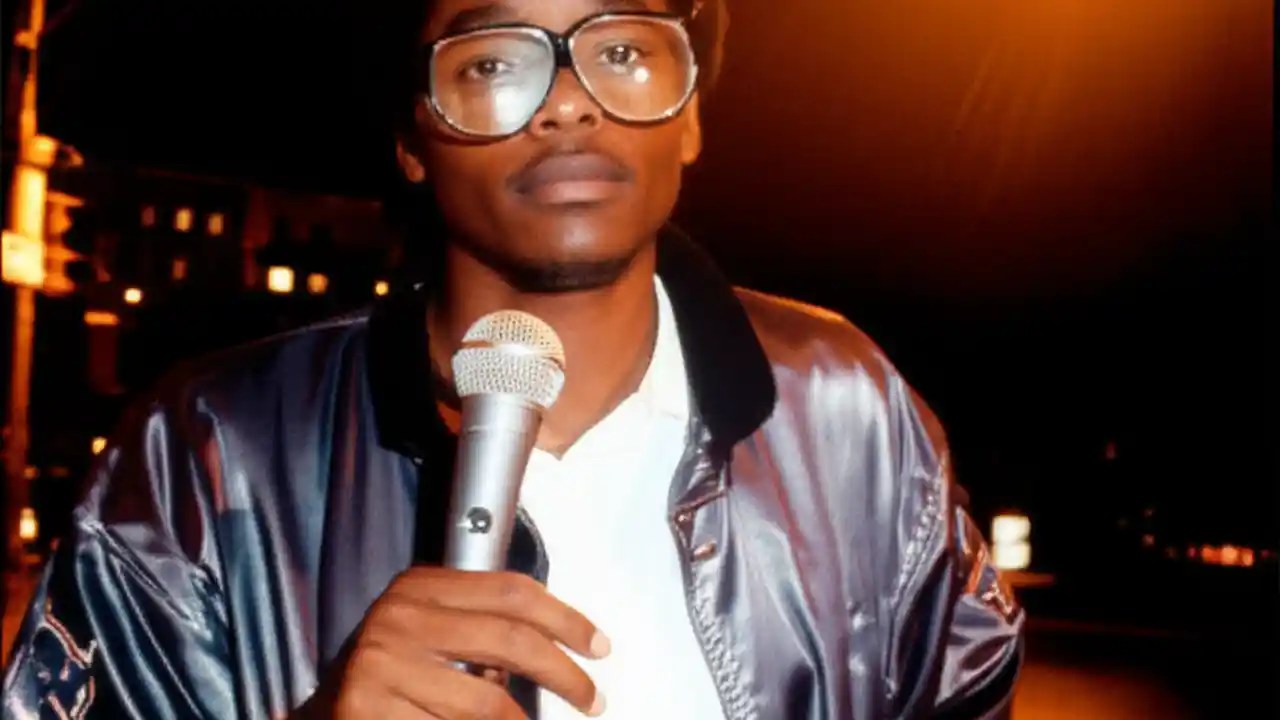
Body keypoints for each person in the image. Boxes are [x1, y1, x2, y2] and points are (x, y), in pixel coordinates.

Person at [3, 0, 1024, 717]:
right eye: (493, 61)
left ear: (693, 113)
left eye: (622, 51)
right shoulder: (209, 450)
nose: (568, 103)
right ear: (413, 135)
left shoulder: (845, 406)